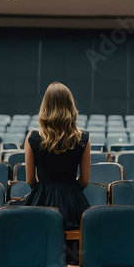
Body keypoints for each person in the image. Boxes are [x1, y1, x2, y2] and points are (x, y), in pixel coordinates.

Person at [23, 82, 91, 235]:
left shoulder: (33, 136)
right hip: (73, 202)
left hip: (41, 199)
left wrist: (44, 189)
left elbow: (30, 179)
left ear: (45, 105)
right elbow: (85, 180)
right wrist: (71, 189)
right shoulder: (83, 137)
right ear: (70, 106)